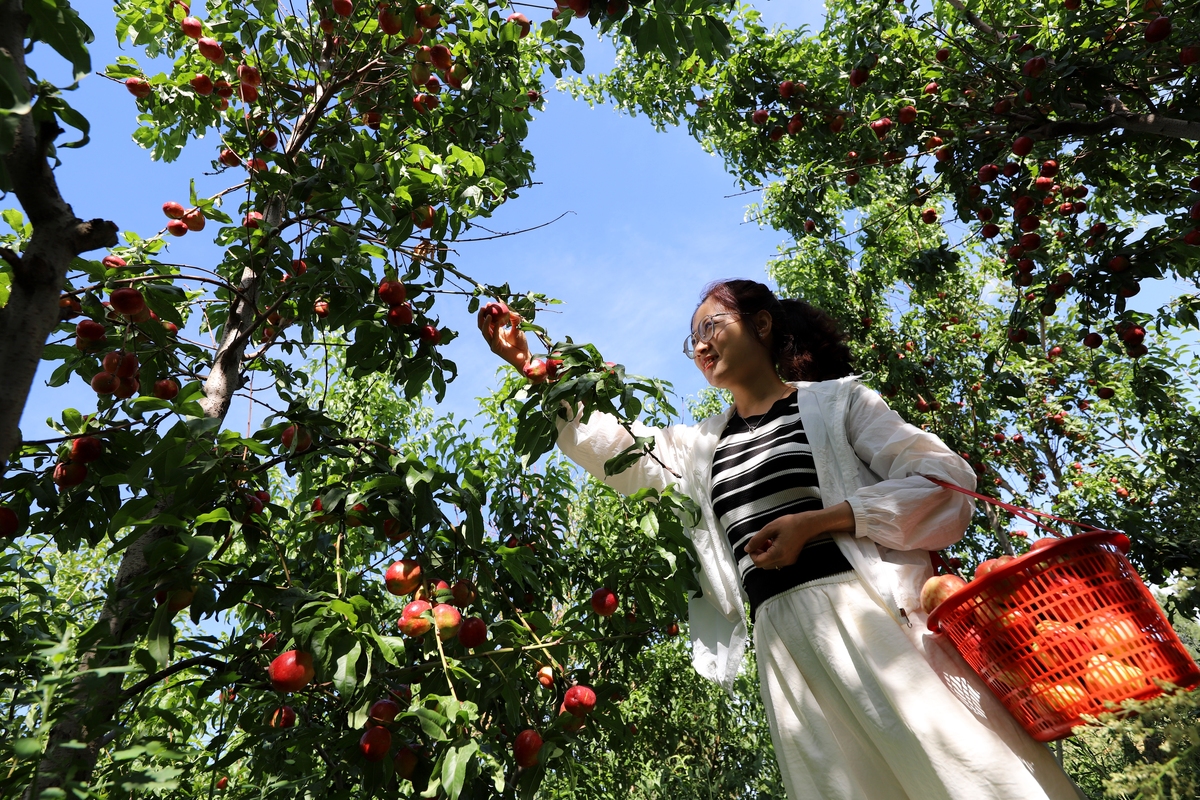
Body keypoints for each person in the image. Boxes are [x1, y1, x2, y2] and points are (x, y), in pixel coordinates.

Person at [478, 279, 1085, 800]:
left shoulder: (837, 403)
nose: (700, 344)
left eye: (712, 324)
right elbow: (619, 452)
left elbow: (946, 482)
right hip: (785, 641)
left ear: (762, 325)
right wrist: (532, 369)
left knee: (959, 769)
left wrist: (821, 522)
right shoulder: (700, 449)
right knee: (842, 783)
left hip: (869, 615)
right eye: (691, 339)